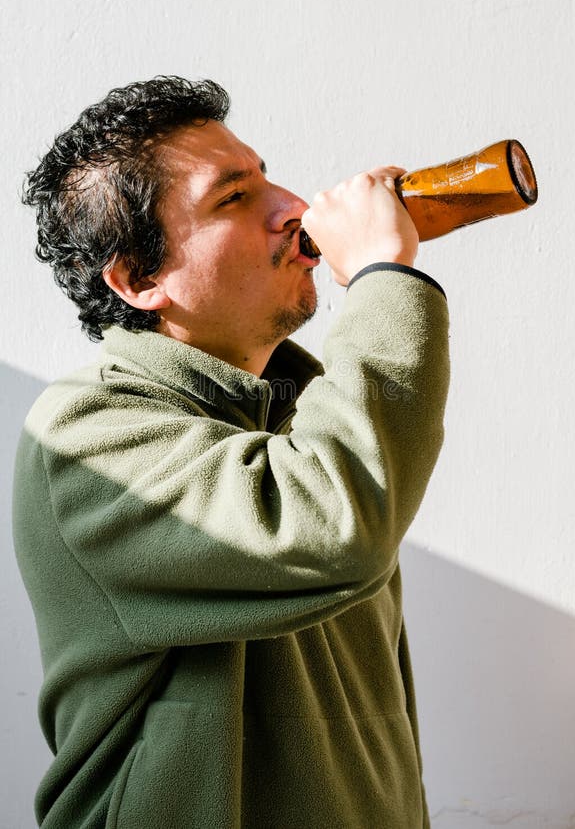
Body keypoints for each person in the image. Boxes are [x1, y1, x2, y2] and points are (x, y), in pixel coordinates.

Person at [13, 76, 450, 829]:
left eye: (266, 178)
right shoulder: (84, 434)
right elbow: (333, 526)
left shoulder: (303, 419)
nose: (295, 209)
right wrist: (384, 278)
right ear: (139, 278)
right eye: (234, 198)